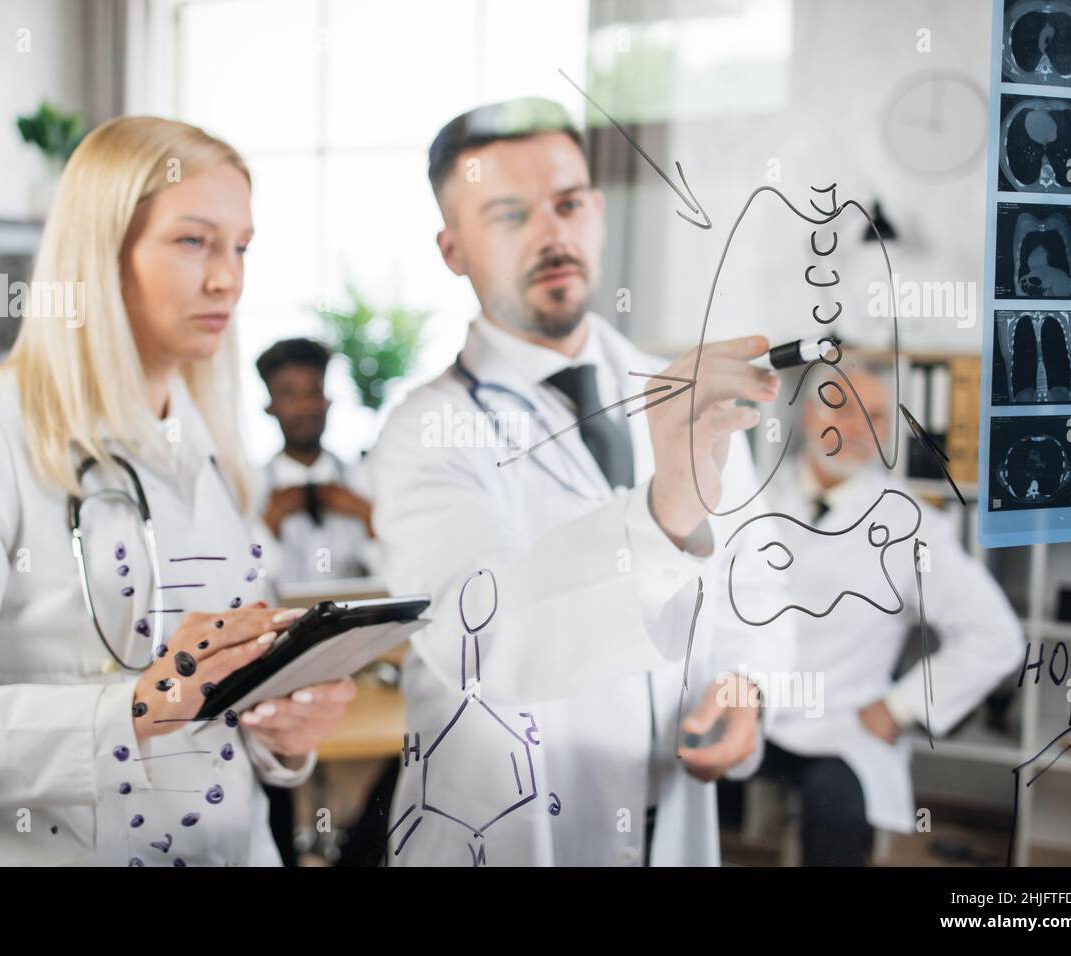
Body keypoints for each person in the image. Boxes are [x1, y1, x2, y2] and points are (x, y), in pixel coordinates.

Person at [0, 116, 357, 866]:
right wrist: (134, 708)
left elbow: (224, 710)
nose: (228, 278)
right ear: (101, 252)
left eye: (240, 247)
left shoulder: (215, 454)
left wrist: (286, 737)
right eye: (193, 241)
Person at [367, 98, 795, 866]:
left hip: (675, 813)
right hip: (510, 830)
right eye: (508, 214)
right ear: (453, 249)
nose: (551, 234)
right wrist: (666, 513)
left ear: (597, 213)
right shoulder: (421, 433)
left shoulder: (678, 393)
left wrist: (745, 688)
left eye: (568, 204)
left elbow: (756, 585)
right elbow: (480, 634)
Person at [741, 362, 1023, 865]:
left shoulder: (910, 521)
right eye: (843, 409)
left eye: (875, 416)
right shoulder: (750, 496)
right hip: (746, 707)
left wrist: (900, 708)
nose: (860, 429)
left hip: (843, 723)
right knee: (661, 772)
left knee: (837, 810)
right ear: (808, 415)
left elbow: (996, 634)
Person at [252, 337, 378, 585]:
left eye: (313, 391)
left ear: (327, 400)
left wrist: (366, 515)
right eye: (289, 395)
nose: (305, 406)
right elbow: (243, 583)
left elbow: (395, 573)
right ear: (270, 407)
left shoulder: (363, 479)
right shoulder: (250, 487)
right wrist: (268, 524)